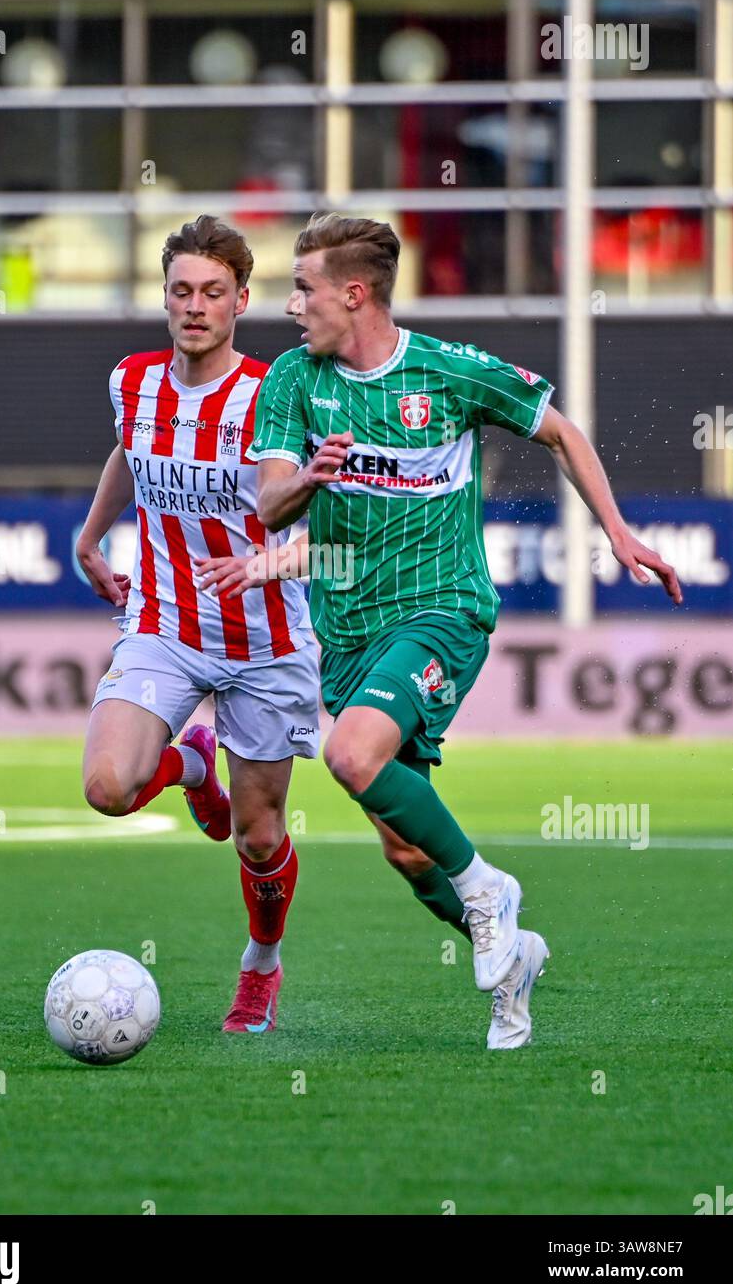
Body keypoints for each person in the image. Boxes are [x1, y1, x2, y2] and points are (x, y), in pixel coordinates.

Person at [242, 211, 682, 1049]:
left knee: (348, 757)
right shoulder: (292, 381)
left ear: (354, 292)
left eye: (304, 288)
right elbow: (267, 507)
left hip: (442, 610)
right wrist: (309, 477)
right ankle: (511, 967)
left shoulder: (447, 373)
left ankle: (487, 890)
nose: (292, 305)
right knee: (407, 855)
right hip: (348, 629)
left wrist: (616, 532)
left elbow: (558, 429)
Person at [77, 215, 320, 1034]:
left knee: (257, 838)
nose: (194, 306)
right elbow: (129, 452)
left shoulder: (274, 396)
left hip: (266, 643)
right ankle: (188, 766)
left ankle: (260, 965)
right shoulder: (131, 381)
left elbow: (340, 526)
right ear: (166, 297)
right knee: (107, 788)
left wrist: (267, 563)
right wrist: (90, 532)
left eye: (213, 292)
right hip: (165, 623)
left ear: (241, 301)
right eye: (181, 290)